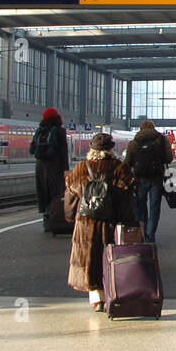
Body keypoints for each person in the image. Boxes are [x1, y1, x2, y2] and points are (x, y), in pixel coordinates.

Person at [65, 133, 135, 311]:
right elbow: (127, 199)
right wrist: (128, 221)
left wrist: (71, 217)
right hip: (109, 222)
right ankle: (110, 294)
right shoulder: (120, 168)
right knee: (108, 258)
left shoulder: (81, 168)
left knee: (90, 259)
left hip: (85, 223)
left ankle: (97, 299)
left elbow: (70, 198)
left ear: (92, 149)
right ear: (112, 149)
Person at [126, 119, 173, 244]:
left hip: (139, 179)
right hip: (156, 178)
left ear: (141, 128)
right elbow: (169, 158)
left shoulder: (134, 142)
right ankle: (150, 236)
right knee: (154, 208)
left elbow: (127, 163)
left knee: (141, 207)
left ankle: (142, 234)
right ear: (153, 127)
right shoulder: (161, 140)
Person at [30, 108, 70, 215]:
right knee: (56, 193)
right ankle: (54, 217)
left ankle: (46, 218)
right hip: (55, 166)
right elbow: (63, 151)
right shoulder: (60, 131)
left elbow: (32, 149)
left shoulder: (39, 131)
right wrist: (66, 169)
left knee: (43, 192)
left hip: (40, 166)